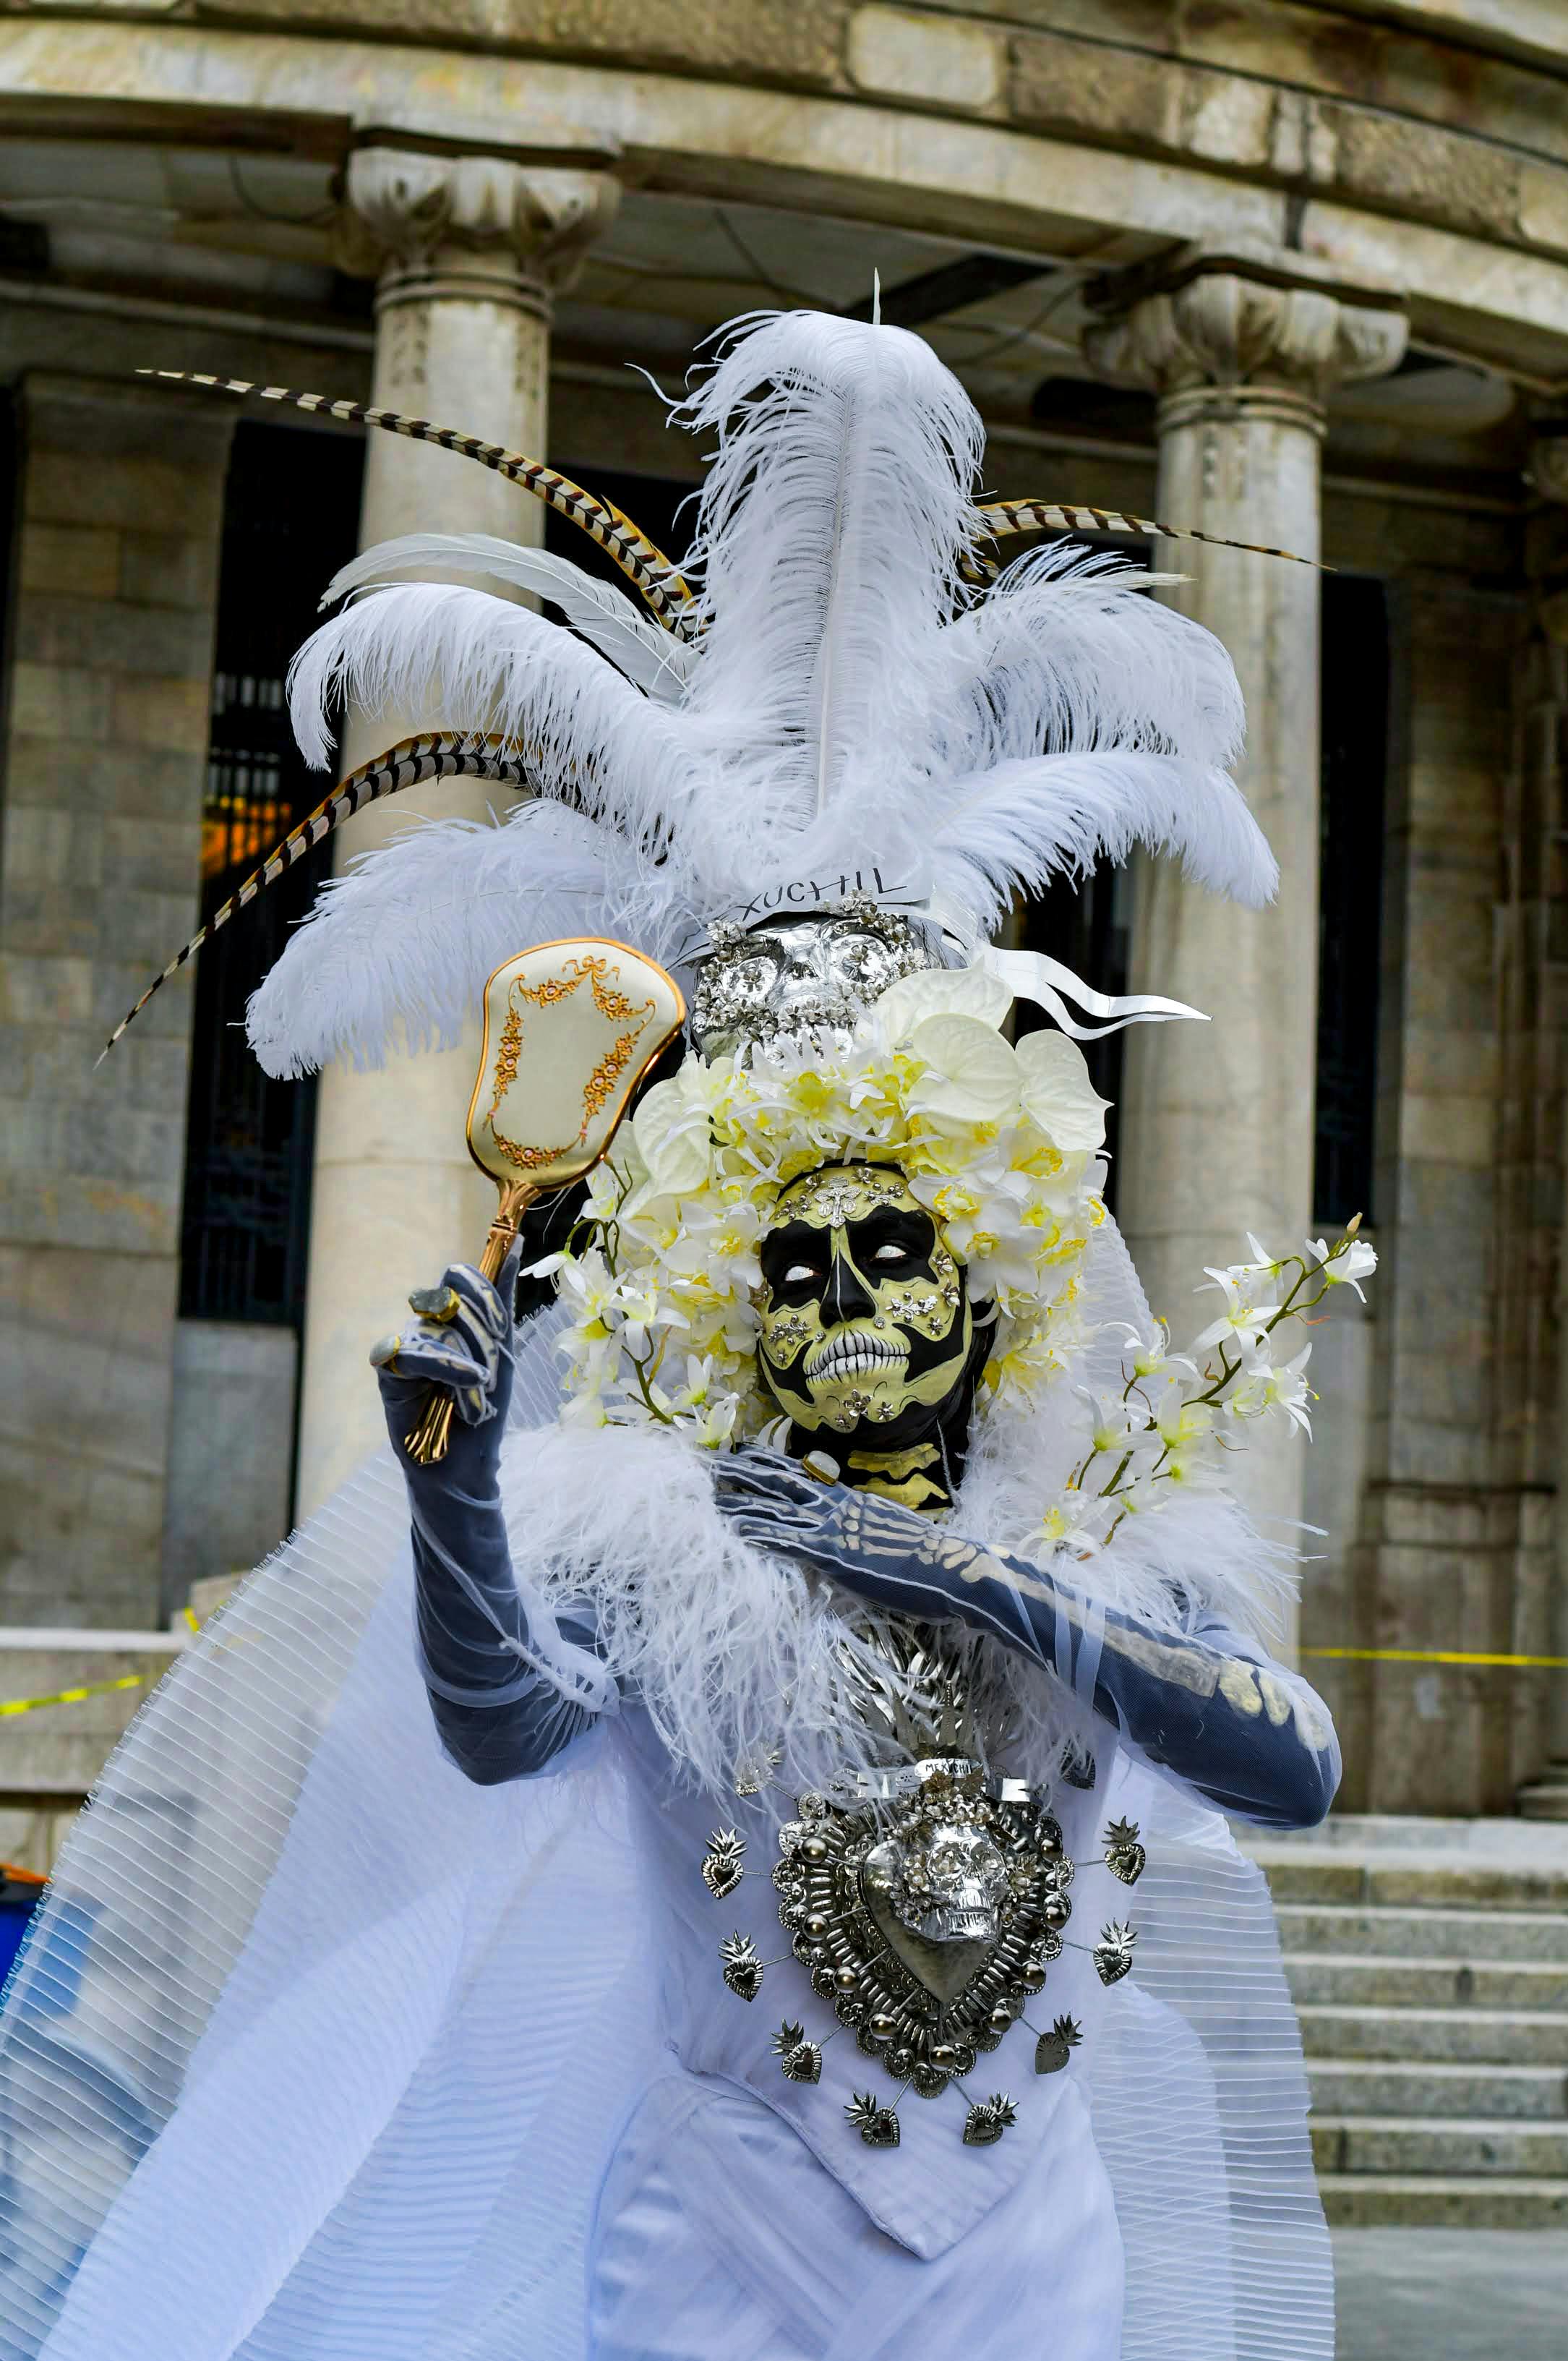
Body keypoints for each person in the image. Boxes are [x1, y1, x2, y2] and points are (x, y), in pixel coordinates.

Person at [0, 309, 1362, 2360]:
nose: (850, 1303)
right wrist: (459, 1500)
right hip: (717, 2236)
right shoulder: (662, 1547)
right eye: (792, 1266)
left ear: (987, 1276)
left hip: (1028, 2239)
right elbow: (506, 1730)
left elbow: (1294, 1765)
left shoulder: (1105, 1534)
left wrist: (989, 1584)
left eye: (896, 1251)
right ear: (725, 1293)